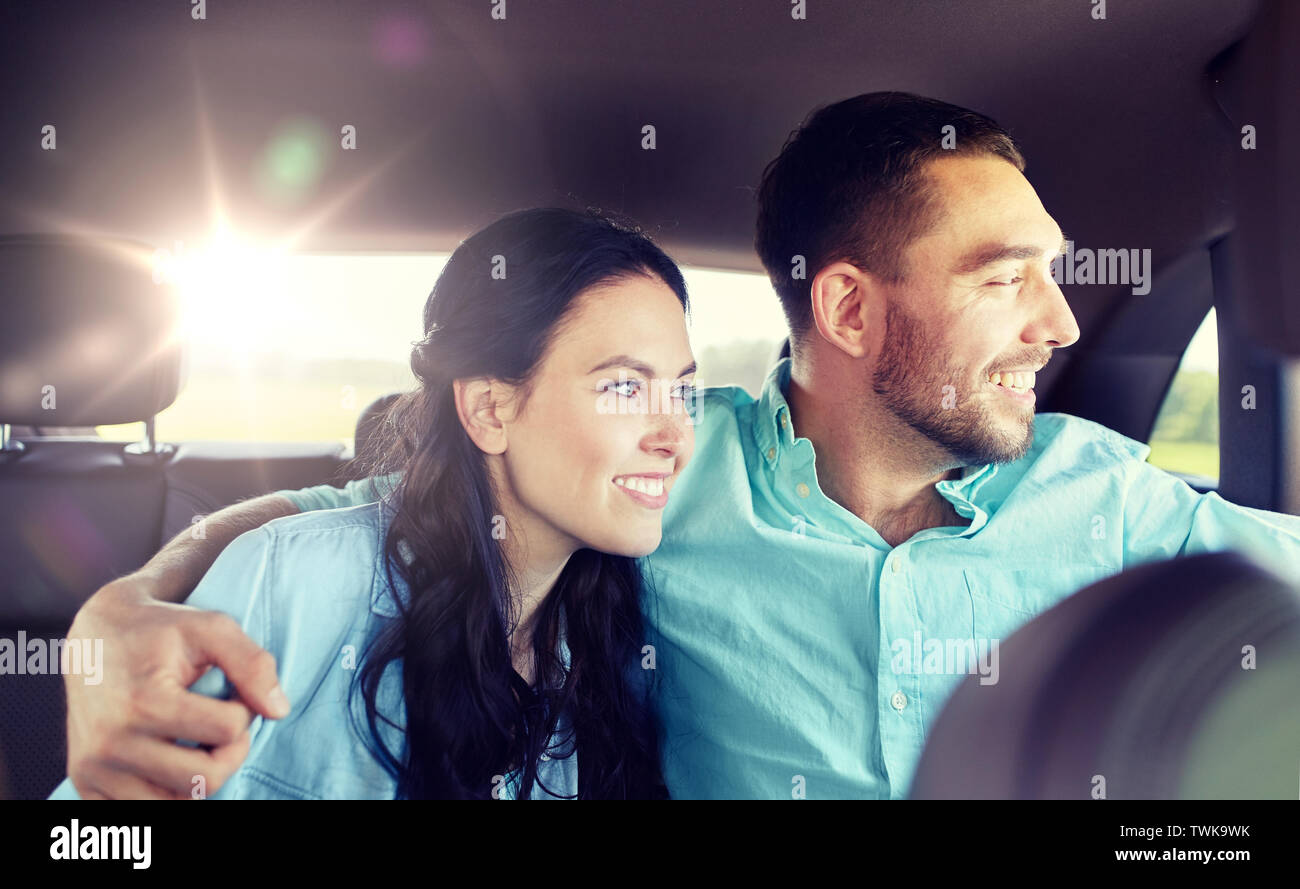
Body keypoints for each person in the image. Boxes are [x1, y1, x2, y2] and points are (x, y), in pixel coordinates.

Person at [55, 92, 1300, 801]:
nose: (1060, 323)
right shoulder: (648, 483)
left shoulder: (1114, 500)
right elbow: (362, 515)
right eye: (1004, 278)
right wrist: (112, 620)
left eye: (678, 383)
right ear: (850, 309)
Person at [50, 207, 698, 799]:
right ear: (488, 408)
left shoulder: (614, 635)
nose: (676, 438)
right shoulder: (288, 586)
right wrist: (117, 606)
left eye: (682, 392)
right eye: (622, 386)